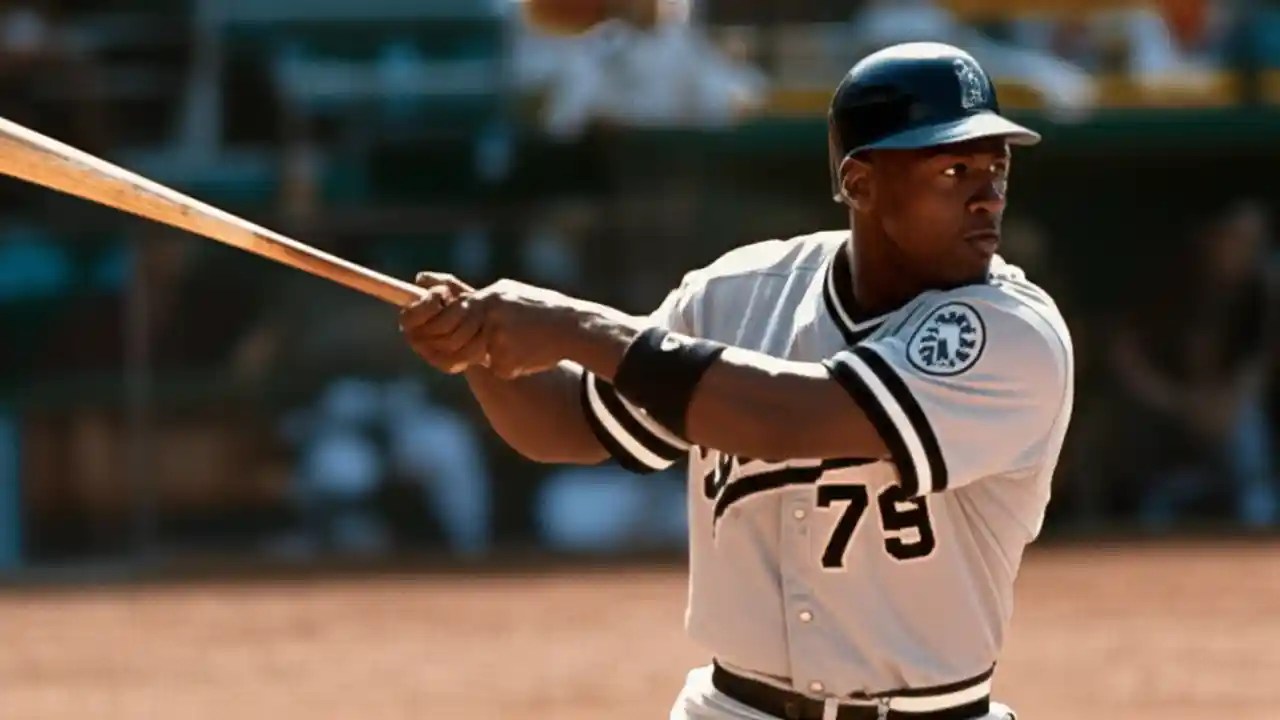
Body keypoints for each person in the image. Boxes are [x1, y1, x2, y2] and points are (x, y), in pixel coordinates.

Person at [400, 42, 1074, 720]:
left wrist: (574, 328)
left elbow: (794, 418)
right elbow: (569, 423)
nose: (987, 197)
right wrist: (480, 350)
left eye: (997, 167)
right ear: (860, 182)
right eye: (954, 168)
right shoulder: (738, 294)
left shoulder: (1011, 334)